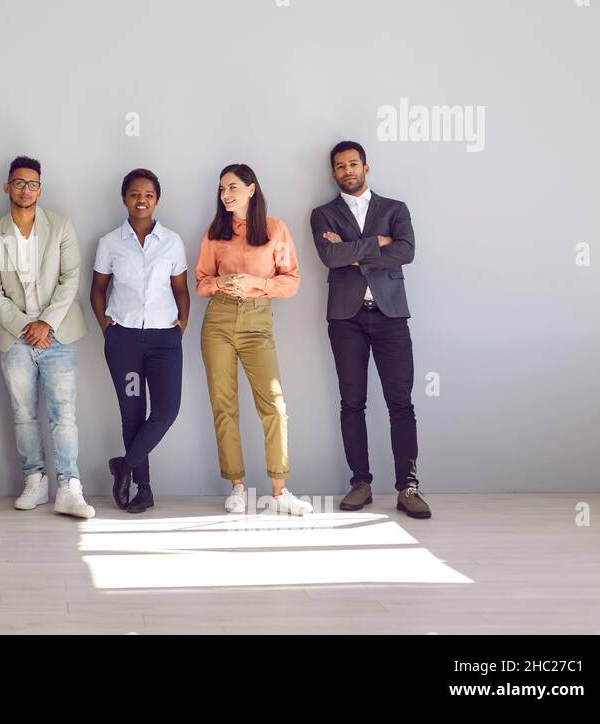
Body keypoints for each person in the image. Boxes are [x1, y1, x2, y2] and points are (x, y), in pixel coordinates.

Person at [310, 140, 429, 518]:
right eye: (341, 166)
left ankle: (408, 487)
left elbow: (406, 251)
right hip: (347, 319)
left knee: (401, 403)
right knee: (352, 402)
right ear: (333, 173)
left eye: (354, 164)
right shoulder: (322, 215)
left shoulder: (395, 209)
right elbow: (330, 257)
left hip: (390, 315)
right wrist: (376, 244)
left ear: (366, 167)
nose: (348, 171)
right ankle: (360, 483)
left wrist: (354, 250)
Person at [195, 163, 312, 516]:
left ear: (251, 189)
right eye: (221, 189)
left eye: (232, 187)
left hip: (258, 320)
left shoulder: (275, 229)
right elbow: (201, 281)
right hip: (218, 319)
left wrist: (255, 284)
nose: (225, 195)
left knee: (274, 405)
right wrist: (220, 284)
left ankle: (279, 491)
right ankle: (237, 487)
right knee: (224, 404)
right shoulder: (215, 232)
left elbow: (291, 281)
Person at [0, 156, 94, 519]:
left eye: (32, 184)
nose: (25, 190)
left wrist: (45, 323)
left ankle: (69, 487)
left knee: (64, 414)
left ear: (39, 189)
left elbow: (70, 279)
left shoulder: (60, 226)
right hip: (15, 339)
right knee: (23, 413)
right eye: (18, 183)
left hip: (57, 335)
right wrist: (25, 327)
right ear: (7, 187)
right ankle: (35, 480)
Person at [90, 168, 190, 514]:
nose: (141, 200)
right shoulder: (110, 243)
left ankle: (125, 466)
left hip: (164, 340)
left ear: (157, 200)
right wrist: (109, 329)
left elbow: (181, 290)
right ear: (125, 199)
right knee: (132, 414)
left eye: (148, 195)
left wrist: (181, 326)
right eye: (134, 194)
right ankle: (143, 490)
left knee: (165, 410)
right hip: (125, 343)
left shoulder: (173, 242)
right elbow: (98, 290)